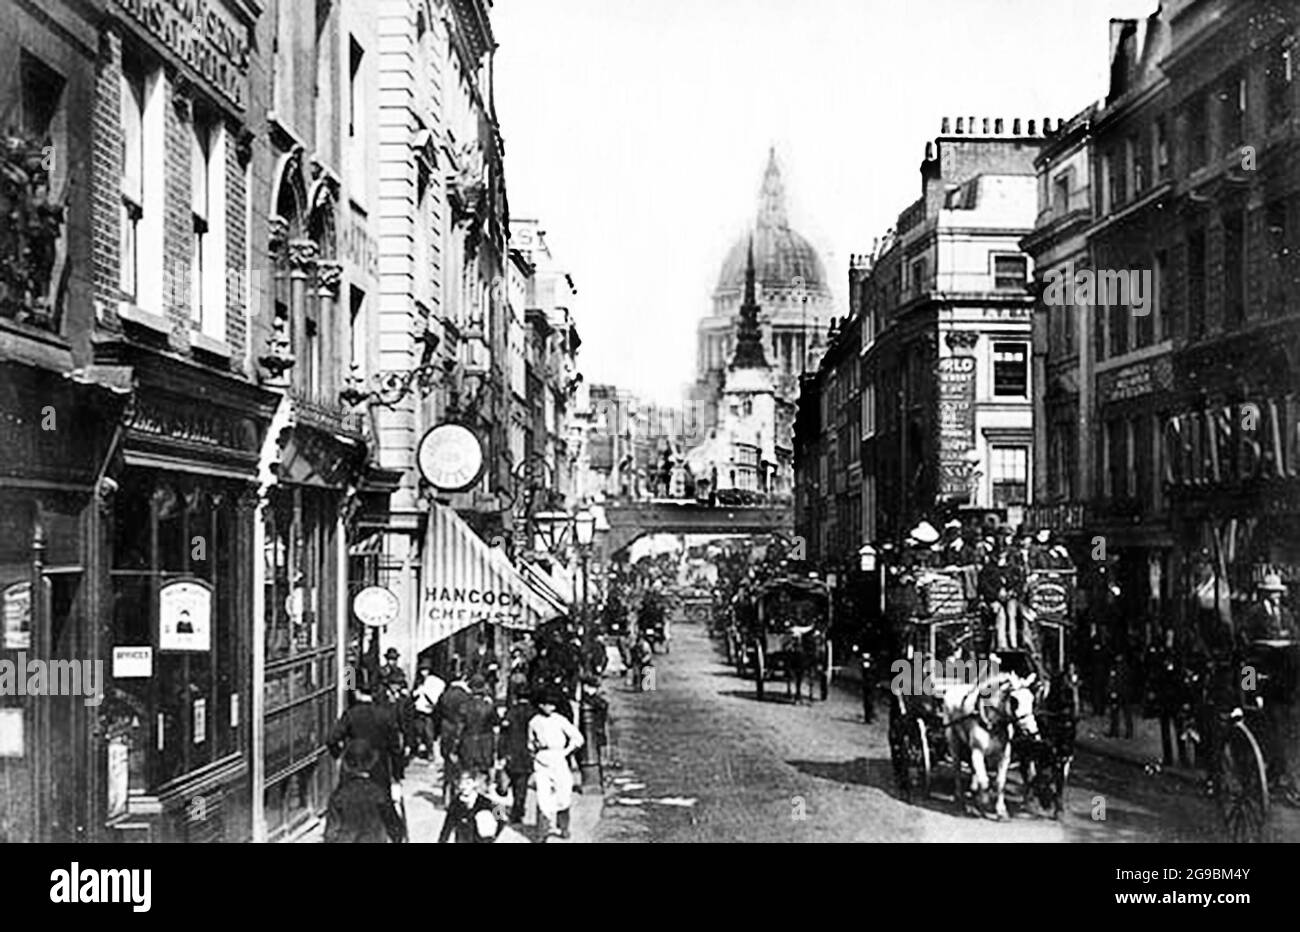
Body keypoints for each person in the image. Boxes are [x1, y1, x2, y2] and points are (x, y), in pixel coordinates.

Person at [323, 738, 406, 844]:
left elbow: (330, 833)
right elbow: (395, 829)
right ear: (370, 764)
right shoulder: (378, 793)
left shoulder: (338, 796)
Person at [327, 682, 406, 792]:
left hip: (353, 766)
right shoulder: (386, 716)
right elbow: (395, 749)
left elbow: (331, 739)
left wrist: (340, 755)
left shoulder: (351, 714)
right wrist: (397, 775)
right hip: (379, 769)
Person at [528, 691, 585, 840]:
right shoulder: (534, 722)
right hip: (542, 760)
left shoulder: (560, 720)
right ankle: (542, 832)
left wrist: (567, 751)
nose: (551, 707)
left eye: (553, 704)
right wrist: (535, 755)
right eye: (547, 704)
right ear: (540, 705)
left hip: (558, 759)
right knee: (543, 796)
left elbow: (578, 737)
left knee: (563, 793)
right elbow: (530, 744)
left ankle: (563, 827)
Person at [434, 668, 472, 805]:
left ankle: (446, 798)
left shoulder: (444, 695)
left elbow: (436, 714)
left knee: (448, 766)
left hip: (446, 731)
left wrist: (436, 733)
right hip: (460, 733)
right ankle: (459, 798)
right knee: (462, 768)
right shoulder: (466, 696)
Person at [500, 689, 538, 824]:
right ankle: (518, 811)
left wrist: (501, 753)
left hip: (512, 752)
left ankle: (499, 814)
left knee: (504, 785)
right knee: (521, 785)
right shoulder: (534, 713)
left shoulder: (511, 712)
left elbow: (503, 734)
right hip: (526, 754)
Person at [437, 773, 505, 843]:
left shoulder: (487, 803)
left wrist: (493, 836)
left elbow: (501, 820)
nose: (464, 787)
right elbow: (447, 827)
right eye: (461, 783)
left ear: (475, 783)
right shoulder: (455, 803)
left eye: (468, 783)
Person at [457, 674, 499, 781]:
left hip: (468, 742)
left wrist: (455, 747)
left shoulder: (464, 706)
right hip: (485, 745)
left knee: (467, 776)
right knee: (482, 775)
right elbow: (496, 724)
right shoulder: (489, 706)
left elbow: (460, 727)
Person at [411, 664, 446, 760]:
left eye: (425, 670)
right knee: (418, 731)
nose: (424, 672)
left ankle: (430, 752)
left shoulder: (433, 681)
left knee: (428, 732)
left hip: (427, 710)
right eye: (422, 670)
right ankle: (421, 750)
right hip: (418, 709)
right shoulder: (419, 681)